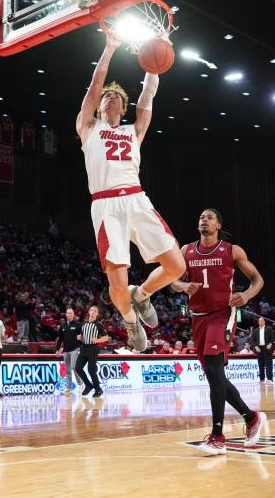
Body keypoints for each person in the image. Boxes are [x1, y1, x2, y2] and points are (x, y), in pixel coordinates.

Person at [76, 36, 185, 352]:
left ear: (124, 107)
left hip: (136, 198)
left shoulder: (133, 131)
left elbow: (148, 94)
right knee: (117, 283)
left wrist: (153, 62)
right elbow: (95, 84)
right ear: (99, 105)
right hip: (106, 205)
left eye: (116, 97)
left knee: (176, 266)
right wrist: (110, 48)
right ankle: (130, 320)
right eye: (106, 96)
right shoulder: (88, 127)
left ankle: (142, 294)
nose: (109, 97)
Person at [169, 208, 267, 456]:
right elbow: (173, 281)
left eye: (209, 217)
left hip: (223, 314)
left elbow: (258, 279)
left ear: (218, 225)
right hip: (198, 318)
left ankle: (218, 436)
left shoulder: (232, 250)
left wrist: (246, 295)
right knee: (214, 375)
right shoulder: (186, 251)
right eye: (201, 217)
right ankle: (251, 417)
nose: (204, 220)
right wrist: (183, 285)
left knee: (214, 369)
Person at [74, 306, 108, 397]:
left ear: (97, 314)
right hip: (84, 348)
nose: (93, 312)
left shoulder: (99, 325)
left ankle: (98, 390)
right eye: (92, 310)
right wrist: (79, 337)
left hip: (93, 349)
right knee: (78, 368)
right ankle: (88, 385)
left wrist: (98, 340)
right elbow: (82, 336)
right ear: (89, 312)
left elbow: (106, 337)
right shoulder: (83, 324)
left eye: (95, 311)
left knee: (91, 370)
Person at [55, 307, 81, 394]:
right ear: (66, 315)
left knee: (74, 367)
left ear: (73, 315)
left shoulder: (78, 325)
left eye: (70, 313)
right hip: (66, 350)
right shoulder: (62, 326)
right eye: (67, 313)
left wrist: (80, 345)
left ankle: (81, 384)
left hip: (75, 349)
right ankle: (68, 388)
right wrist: (57, 349)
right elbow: (60, 339)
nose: (69, 314)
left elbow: (82, 337)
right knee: (67, 370)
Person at [251, 317, 275, 384]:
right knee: (260, 364)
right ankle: (262, 379)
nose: (260, 322)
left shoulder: (269, 328)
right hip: (259, 349)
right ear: (258, 322)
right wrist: (256, 347)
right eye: (259, 321)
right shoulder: (255, 330)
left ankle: (270, 379)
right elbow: (253, 340)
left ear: (264, 322)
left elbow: (273, 337)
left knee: (269, 364)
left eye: (262, 321)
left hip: (267, 348)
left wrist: (270, 344)